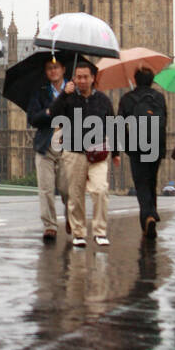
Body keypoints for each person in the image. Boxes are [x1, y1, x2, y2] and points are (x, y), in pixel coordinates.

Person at [51, 59, 119, 248]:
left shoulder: (103, 100)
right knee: (76, 195)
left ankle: (100, 231)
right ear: (74, 79)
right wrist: (63, 94)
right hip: (74, 153)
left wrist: (115, 153)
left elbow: (113, 125)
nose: (81, 81)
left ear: (92, 78)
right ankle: (79, 232)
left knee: (100, 190)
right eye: (78, 77)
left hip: (97, 154)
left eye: (85, 77)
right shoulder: (69, 98)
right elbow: (53, 114)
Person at [118, 66, 167, 239]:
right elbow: (164, 122)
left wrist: (124, 147)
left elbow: (119, 125)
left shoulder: (127, 99)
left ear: (135, 80)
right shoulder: (159, 98)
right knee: (151, 181)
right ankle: (150, 218)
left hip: (136, 147)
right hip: (155, 146)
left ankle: (148, 215)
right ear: (152, 80)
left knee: (141, 184)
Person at [27, 57, 69, 242]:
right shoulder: (40, 93)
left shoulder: (75, 90)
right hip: (46, 143)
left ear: (63, 69)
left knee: (68, 189)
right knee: (46, 189)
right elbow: (33, 118)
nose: (53, 71)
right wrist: (49, 111)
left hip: (69, 143)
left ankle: (71, 217)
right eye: (49, 68)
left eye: (56, 67)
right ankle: (50, 225)